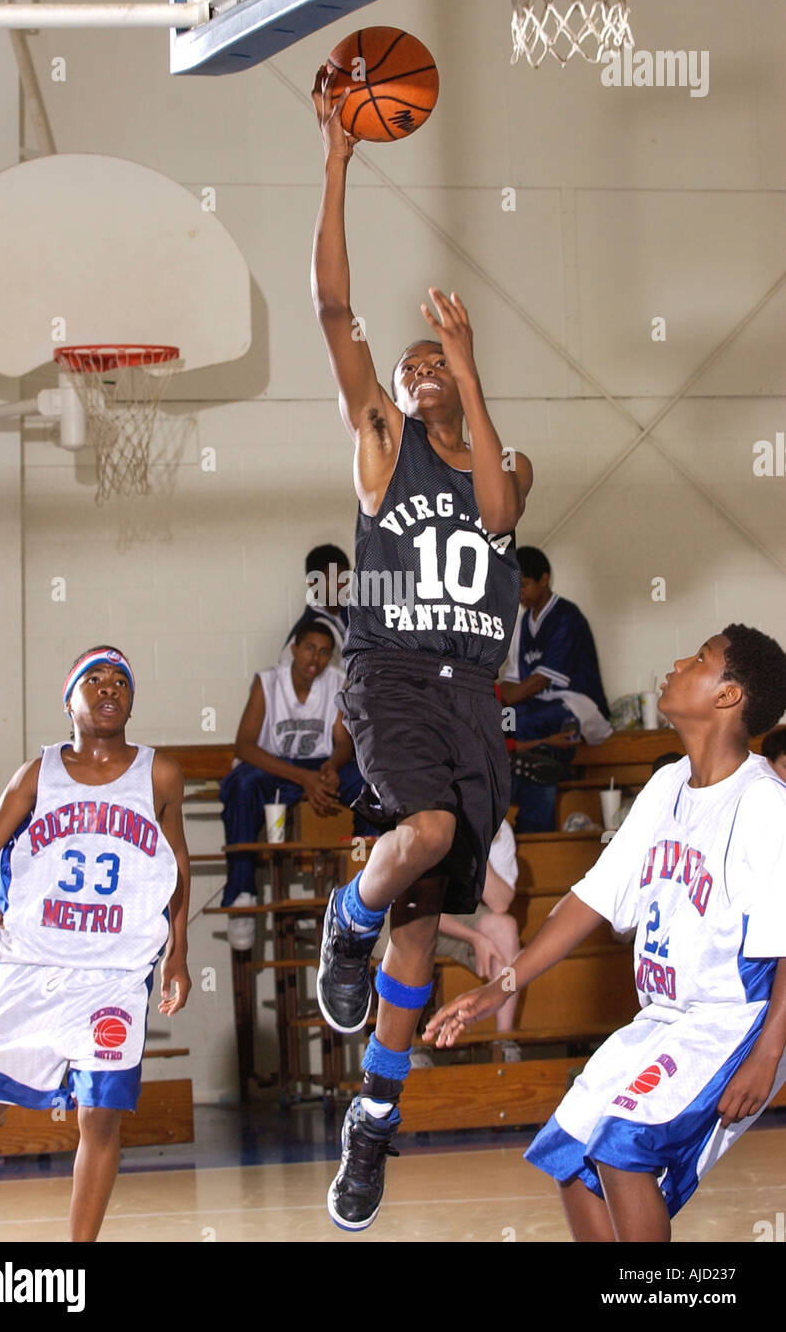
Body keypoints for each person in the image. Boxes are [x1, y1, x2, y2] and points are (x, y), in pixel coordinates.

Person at [310, 66, 532, 1231]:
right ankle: (342, 925)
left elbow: (498, 513)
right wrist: (341, 159)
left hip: (473, 698)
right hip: (392, 671)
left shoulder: (501, 456)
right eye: (406, 367)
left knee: (420, 923)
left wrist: (472, 359)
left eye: (432, 362)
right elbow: (333, 315)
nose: (415, 369)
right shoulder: (385, 445)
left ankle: (372, 1120)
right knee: (427, 837)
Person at [425, 624, 786, 1243]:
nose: (677, 661)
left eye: (699, 659)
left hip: (731, 1019)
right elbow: (590, 898)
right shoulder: (668, 784)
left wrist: (769, 1054)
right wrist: (499, 987)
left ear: (728, 696)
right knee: (571, 1150)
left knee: (622, 1150)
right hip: (663, 1016)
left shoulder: (762, 803)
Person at [0, 646, 191, 1244]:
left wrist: (178, 953)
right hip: (34, 962)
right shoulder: (37, 772)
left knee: (100, 1115)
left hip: (116, 973)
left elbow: (176, 869)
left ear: (131, 700)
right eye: (94, 680)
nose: (108, 689)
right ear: (69, 702)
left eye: (120, 681)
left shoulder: (160, 774)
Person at [220, 620, 375, 947]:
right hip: (274, 767)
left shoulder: (336, 682)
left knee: (367, 782)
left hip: (318, 766)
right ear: (293, 650)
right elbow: (244, 746)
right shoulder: (268, 681)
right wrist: (304, 779)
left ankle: (366, 891)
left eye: (323, 652)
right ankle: (241, 897)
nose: (314, 659)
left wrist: (331, 767)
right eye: (309, 649)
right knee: (240, 784)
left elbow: (344, 743)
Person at [497, 545, 612, 831]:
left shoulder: (566, 617)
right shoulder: (524, 623)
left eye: (523, 585)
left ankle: (544, 763)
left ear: (544, 579)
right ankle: (545, 760)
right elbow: (512, 679)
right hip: (536, 707)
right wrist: (501, 701)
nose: (519, 594)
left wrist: (505, 697)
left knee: (521, 720)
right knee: (500, 722)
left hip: (574, 705)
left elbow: (539, 681)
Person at [436, 820, 521, 1047]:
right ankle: (407, 1045)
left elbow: (500, 903)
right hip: (414, 914)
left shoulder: (498, 827)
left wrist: (476, 849)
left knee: (505, 927)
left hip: (457, 914)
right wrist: (475, 938)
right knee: (411, 933)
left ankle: (504, 1041)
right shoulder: (429, 816)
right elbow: (417, 906)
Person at [279, 543, 351, 667]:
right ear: (313, 583)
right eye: (332, 578)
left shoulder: (348, 614)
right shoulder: (309, 629)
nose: (340, 585)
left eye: (344, 578)